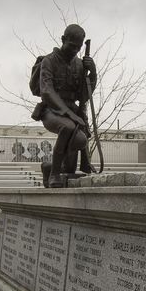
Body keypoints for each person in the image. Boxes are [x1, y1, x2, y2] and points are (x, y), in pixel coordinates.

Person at [32, 24, 97, 187]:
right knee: (67, 127)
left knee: (80, 142)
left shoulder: (79, 65)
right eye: (71, 46)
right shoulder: (49, 61)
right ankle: (54, 174)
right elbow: (46, 91)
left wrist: (93, 73)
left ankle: (50, 167)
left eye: (78, 47)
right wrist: (69, 113)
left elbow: (83, 96)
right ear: (63, 40)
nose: (75, 50)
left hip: (72, 112)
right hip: (51, 110)